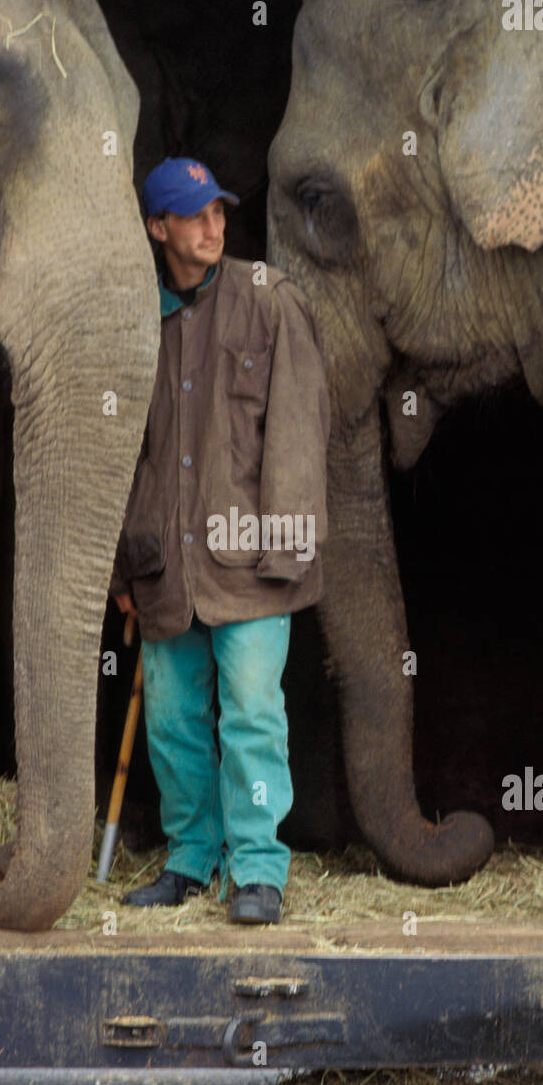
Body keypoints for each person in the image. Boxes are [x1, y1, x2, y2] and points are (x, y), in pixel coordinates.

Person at [109, 156, 329, 924]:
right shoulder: (139, 315)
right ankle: (190, 860)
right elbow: (124, 453)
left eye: (219, 212)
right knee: (171, 723)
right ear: (157, 227)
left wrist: (285, 553)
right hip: (165, 564)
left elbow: (300, 431)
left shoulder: (269, 301)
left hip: (253, 563)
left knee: (251, 718)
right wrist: (123, 564)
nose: (214, 226)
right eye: (195, 215)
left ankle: (259, 870)